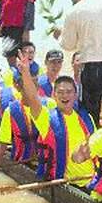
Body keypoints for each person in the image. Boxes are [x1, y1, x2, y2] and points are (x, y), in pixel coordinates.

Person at [18, 51, 96, 187]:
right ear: (54, 95)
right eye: (60, 92)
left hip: (91, 181)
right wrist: (25, 73)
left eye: (69, 92)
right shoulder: (46, 118)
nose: (65, 96)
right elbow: (33, 99)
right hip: (66, 183)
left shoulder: (86, 118)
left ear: (75, 95)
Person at [0, 64, 55, 186]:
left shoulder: (51, 104)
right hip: (22, 160)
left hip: (46, 162)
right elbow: (2, 142)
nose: (34, 89)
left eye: (35, 84)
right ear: (18, 87)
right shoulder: (11, 111)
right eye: (29, 85)